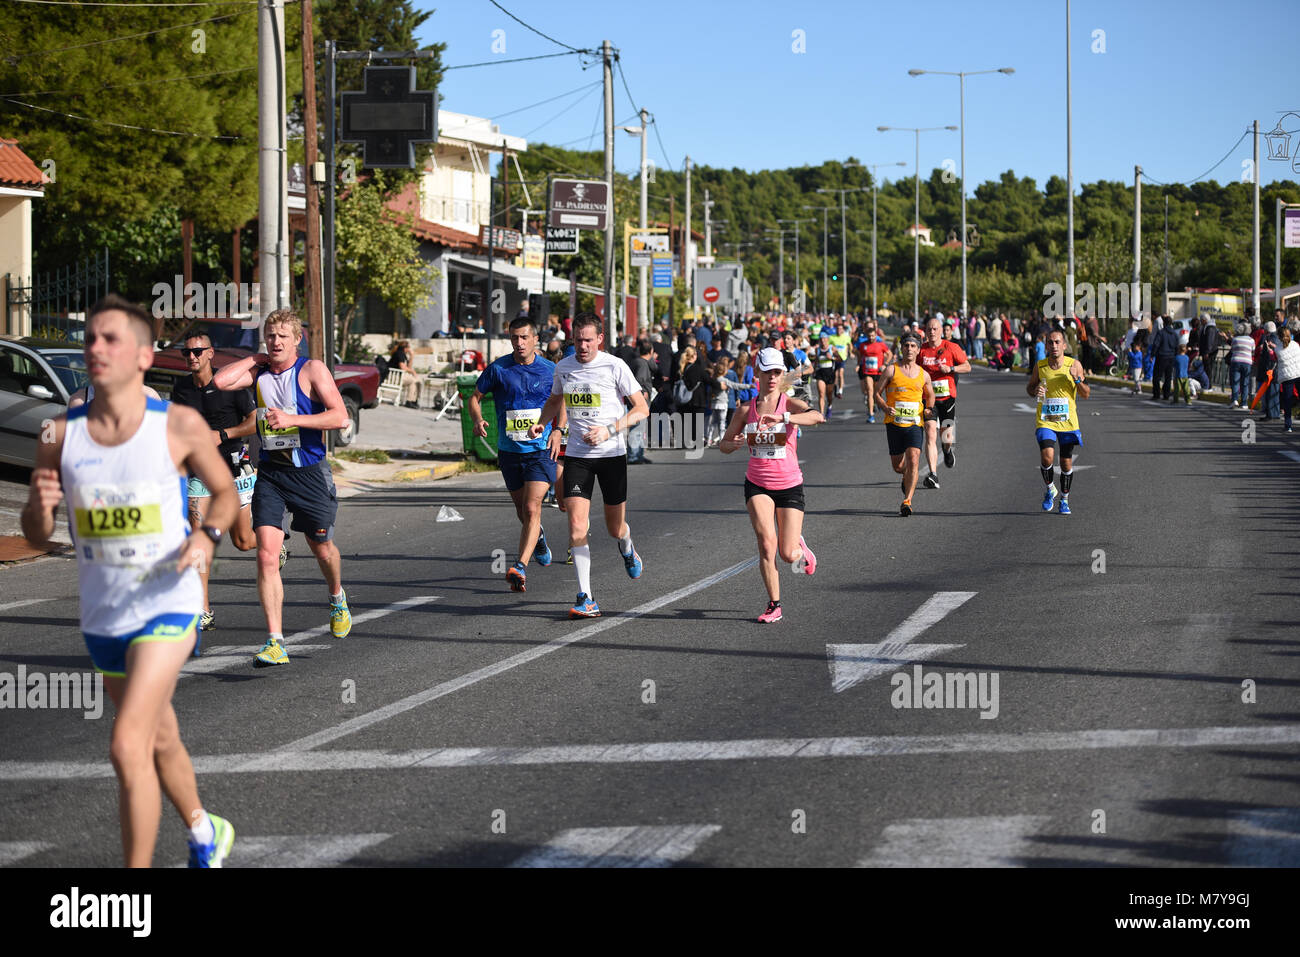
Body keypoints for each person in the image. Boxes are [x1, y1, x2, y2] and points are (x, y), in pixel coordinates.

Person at [22, 294, 236, 867]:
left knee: (127, 743)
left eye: (110, 339)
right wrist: (41, 513)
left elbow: (224, 494)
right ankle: (204, 829)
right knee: (159, 736)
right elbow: (39, 536)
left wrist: (204, 539)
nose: (96, 348)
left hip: (169, 603)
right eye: (91, 338)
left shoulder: (179, 425)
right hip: (104, 614)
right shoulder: (58, 435)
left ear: (143, 357)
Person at [213, 308, 352, 666]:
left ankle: (336, 596)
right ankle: (275, 641)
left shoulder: (311, 370)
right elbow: (221, 382)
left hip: (309, 474)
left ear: (297, 339)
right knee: (265, 555)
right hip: (272, 474)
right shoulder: (259, 372)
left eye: (282, 337)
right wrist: (254, 358)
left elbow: (340, 417)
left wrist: (293, 419)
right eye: (270, 336)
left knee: (321, 548)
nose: (275, 342)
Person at [529, 313, 650, 619]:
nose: (581, 346)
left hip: (611, 455)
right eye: (577, 340)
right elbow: (556, 400)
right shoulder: (564, 367)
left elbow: (642, 409)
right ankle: (586, 597)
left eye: (587, 340)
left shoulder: (615, 366)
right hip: (579, 456)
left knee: (614, 527)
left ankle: (626, 545)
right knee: (576, 524)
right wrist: (542, 424)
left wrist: (609, 430)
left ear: (599, 339)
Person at [719, 347, 824, 623]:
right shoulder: (746, 410)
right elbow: (724, 445)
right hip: (757, 484)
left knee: (788, 554)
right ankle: (774, 605)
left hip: (789, 485)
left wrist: (784, 418)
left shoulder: (788, 403)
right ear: (758, 373)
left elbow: (817, 417)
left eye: (778, 372)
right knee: (766, 545)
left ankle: (800, 548)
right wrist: (735, 443)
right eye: (768, 372)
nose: (773, 378)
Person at [170, 332, 265, 630]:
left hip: (234, 469)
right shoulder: (181, 389)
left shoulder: (230, 384)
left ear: (211, 353)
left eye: (198, 351)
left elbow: (254, 421)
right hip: (199, 473)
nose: (192, 357)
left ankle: (271, 538)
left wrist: (222, 435)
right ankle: (203, 610)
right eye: (187, 353)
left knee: (243, 540)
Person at [470, 316, 565, 592]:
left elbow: (561, 401)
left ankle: (520, 567)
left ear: (536, 339)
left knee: (532, 507)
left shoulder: (550, 370)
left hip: (540, 450)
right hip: (510, 451)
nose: (519, 343)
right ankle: (539, 538)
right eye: (514, 337)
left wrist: (559, 430)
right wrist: (477, 420)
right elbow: (474, 397)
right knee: (522, 510)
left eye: (524, 337)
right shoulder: (499, 369)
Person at [1026, 328, 1090, 515]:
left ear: (1064, 345)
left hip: (1068, 422)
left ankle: (1064, 498)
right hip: (1046, 420)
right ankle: (1050, 488)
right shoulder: (1041, 366)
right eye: (1050, 342)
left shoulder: (1074, 364)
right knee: (1047, 456)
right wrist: (1035, 389)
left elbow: (1086, 394)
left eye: (1057, 342)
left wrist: (1077, 379)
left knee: (1065, 464)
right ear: (1046, 345)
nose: (1054, 346)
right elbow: (1030, 388)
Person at [874, 333, 935, 517]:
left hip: (915, 424)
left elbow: (930, 394)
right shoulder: (891, 370)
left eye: (913, 346)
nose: (909, 348)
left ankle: (907, 500)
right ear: (901, 348)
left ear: (918, 349)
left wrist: (929, 409)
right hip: (894, 423)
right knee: (898, 466)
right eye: (906, 345)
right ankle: (905, 475)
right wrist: (885, 407)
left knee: (914, 459)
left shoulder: (924, 374)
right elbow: (877, 393)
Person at [917, 317, 971, 485]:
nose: (932, 332)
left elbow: (968, 366)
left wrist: (951, 369)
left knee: (946, 437)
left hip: (947, 398)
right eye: (929, 329)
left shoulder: (951, 347)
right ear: (925, 332)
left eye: (935, 329)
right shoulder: (921, 350)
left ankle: (947, 451)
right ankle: (933, 474)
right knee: (930, 433)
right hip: (928, 400)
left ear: (941, 331)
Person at [855, 321, 891, 423]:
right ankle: (871, 414)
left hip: (878, 372)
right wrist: (858, 365)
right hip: (867, 372)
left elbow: (890, 354)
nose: (871, 337)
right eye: (869, 336)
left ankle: (877, 403)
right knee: (870, 391)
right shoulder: (863, 345)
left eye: (873, 335)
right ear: (867, 336)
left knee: (877, 393)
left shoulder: (881, 345)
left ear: (876, 335)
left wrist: (885, 364)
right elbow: (860, 355)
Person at [1274, 326, 1300, 433]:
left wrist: (1271, 348)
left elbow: (1274, 359)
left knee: (1287, 402)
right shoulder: (1296, 345)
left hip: (1286, 377)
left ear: (1279, 337)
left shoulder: (1277, 349)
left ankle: (1288, 425)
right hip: (1298, 373)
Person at [1148, 317, 1179, 401]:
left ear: (1164, 323)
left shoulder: (1161, 333)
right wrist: (1175, 355)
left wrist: (1152, 355)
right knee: (1168, 377)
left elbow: (1156, 344)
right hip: (1171, 357)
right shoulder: (1175, 334)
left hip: (1161, 357)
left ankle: (1156, 394)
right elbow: (1177, 346)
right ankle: (1166, 395)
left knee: (1157, 377)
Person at [1229, 322, 1255, 408]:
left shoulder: (1235, 339)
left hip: (1236, 361)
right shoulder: (1251, 340)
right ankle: (1244, 403)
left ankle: (1235, 400)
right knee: (1245, 383)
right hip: (1247, 362)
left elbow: (1232, 349)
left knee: (1235, 382)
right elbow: (1253, 350)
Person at [812, 333, 838, 417]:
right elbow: (816, 360)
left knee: (829, 394)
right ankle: (822, 413)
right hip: (820, 373)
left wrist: (832, 358)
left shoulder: (832, 348)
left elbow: (840, 359)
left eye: (824, 339)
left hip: (830, 373)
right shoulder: (818, 349)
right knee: (821, 393)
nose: (823, 341)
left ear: (827, 339)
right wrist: (814, 370)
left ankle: (829, 406)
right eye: (821, 339)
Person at [388, 340, 419, 407]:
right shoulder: (399, 354)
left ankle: (413, 400)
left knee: (416, 381)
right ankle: (410, 401)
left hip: (400, 376)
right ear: (406, 348)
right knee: (414, 381)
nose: (409, 349)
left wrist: (412, 356)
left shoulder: (403, 355)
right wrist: (413, 372)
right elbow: (403, 367)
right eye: (409, 347)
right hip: (395, 377)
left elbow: (409, 367)